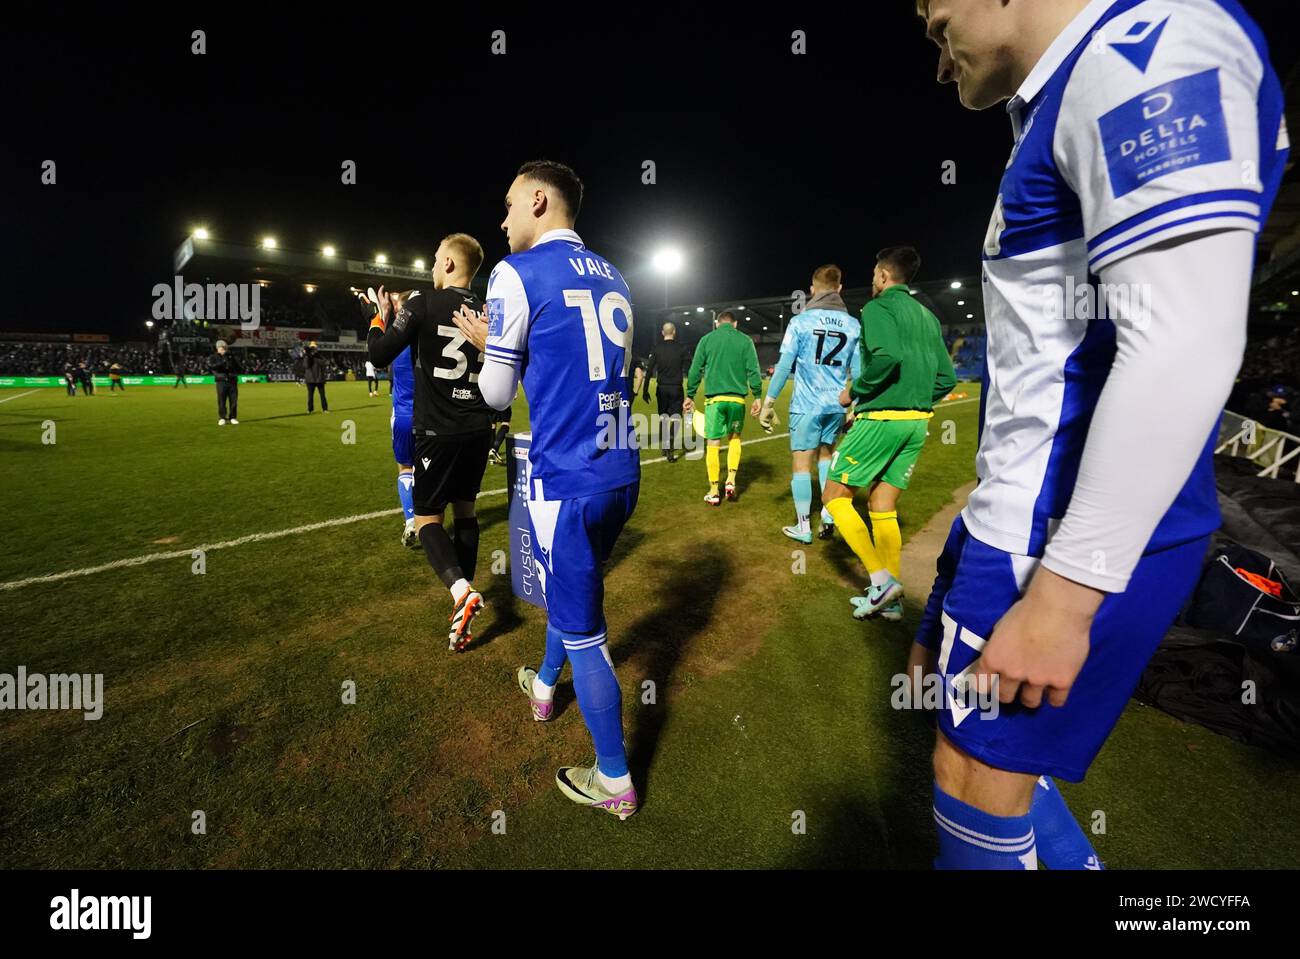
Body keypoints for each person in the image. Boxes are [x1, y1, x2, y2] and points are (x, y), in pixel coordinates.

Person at [915, 0, 1287, 870]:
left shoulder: (1144, 45)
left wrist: (1062, 595)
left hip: (1053, 538)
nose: (939, 63)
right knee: (995, 767)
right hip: (1022, 518)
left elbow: (1183, 340)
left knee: (976, 781)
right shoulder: (1079, 84)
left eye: (937, 30)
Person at [454, 159, 641, 819]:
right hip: (621, 471)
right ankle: (541, 683)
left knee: (585, 625)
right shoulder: (616, 273)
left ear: (539, 200)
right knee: (574, 589)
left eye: (508, 206)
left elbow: (497, 395)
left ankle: (614, 777)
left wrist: (487, 350)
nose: (502, 221)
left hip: (566, 478)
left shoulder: (516, 272)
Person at [366, 235, 492, 651]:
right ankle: (463, 602)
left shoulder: (422, 301)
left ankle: (461, 593)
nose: (432, 267)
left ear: (452, 264)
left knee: (427, 522)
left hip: (437, 433)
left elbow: (380, 355)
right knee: (466, 510)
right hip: (478, 430)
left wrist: (379, 318)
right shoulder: (489, 310)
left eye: (437, 260)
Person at [821, 246, 954, 623]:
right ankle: (891, 601)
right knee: (882, 506)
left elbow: (887, 357)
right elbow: (947, 378)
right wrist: (913, 400)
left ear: (882, 275)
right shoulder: (927, 315)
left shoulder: (878, 308)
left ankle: (880, 582)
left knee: (834, 497)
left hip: (881, 419)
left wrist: (854, 390)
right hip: (917, 422)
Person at [760, 264, 861, 542]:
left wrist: (768, 403)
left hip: (806, 405)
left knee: (802, 464)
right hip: (837, 405)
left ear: (812, 289)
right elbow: (860, 373)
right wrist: (856, 406)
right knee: (827, 457)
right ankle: (828, 516)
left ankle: (804, 526)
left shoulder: (801, 321)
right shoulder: (853, 325)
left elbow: (783, 367)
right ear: (840, 289)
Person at [684, 310, 763, 504]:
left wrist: (690, 394)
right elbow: (753, 369)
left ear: (717, 324)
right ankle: (730, 480)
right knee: (734, 437)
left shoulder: (707, 339)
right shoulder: (745, 341)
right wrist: (758, 396)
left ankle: (713, 491)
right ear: (735, 324)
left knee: (713, 442)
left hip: (715, 401)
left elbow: (695, 369)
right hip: (737, 401)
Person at [646, 322, 688, 462]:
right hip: (676, 387)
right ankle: (669, 446)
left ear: (663, 333)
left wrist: (645, 390)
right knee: (676, 418)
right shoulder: (681, 348)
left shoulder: (656, 348)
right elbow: (690, 365)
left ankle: (665, 446)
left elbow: (650, 369)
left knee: (663, 418)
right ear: (674, 332)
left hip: (662, 388)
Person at [208, 340, 242, 425]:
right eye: (222, 347)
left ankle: (233, 417)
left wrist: (233, 360)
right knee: (221, 400)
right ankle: (222, 417)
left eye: (225, 348)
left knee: (233, 401)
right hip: (221, 381)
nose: (224, 349)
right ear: (218, 348)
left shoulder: (231, 357)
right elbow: (212, 366)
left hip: (232, 381)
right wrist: (223, 362)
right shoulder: (213, 357)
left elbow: (239, 368)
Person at [298, 342, 328, 412]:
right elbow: (306, 366)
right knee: (310, 396)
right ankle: (310, 409)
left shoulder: (319, 356)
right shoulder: (307, 356)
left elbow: (325, 363)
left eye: (314, 348)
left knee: (322, 395)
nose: (313, 349)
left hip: (319, 378)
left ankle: (325, 409)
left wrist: (314, 357)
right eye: (312, 348)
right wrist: (308, 356)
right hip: (310, 379)